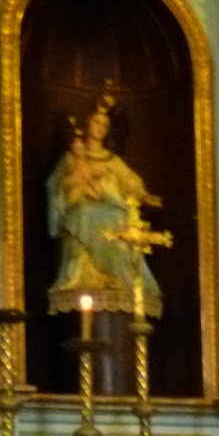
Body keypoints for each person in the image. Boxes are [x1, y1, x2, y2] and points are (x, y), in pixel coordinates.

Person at [46, 96, 163, 318]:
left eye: (105, 125)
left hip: (110, 209)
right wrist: (70, 183)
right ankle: (84, 275)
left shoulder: (112, 160)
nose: (100, 129)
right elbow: (55, 184)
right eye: (96, 122)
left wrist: (145, 196)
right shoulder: (71, 157)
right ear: (87, 123)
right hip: (81, 209)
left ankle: (118, 277)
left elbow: (130, 183)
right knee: (83, 213)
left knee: (124, 219)